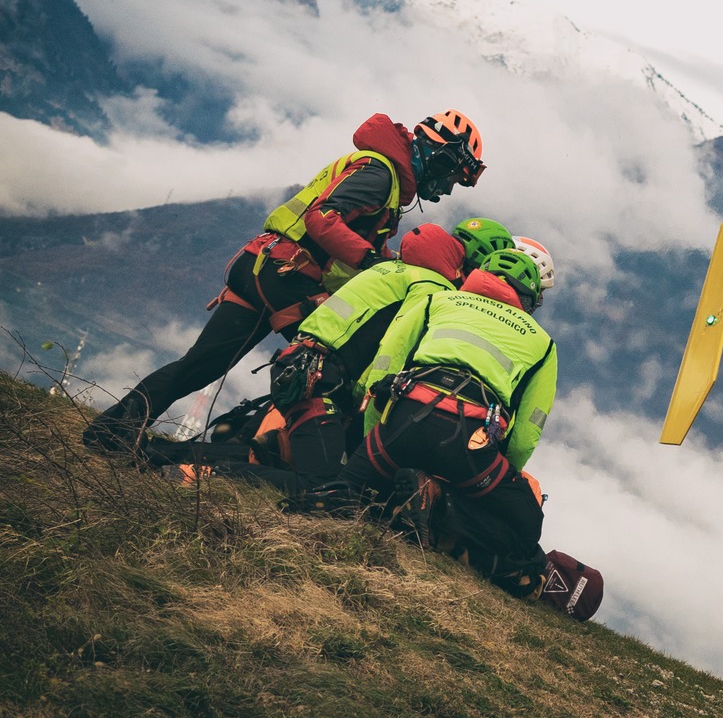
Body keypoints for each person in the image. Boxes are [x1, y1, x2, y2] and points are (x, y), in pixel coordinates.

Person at [83, 111, 487, 458]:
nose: (450, 187)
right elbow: (323, 219)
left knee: (200, 365)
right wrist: (371, 263)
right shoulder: (381, 174)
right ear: (438, 155)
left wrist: (378, 263)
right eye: (453, 175)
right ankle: (303, 469)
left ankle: (108, 432)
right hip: (287, 276)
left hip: (262, 265)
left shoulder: (383, 174)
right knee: (333, 367)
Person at [338, 247, 557, 597]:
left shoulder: (437, 301)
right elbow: (528, 432)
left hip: (402, 425)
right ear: (529, 296)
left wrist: (372, 439)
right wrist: (495, 477)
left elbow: (385, 363)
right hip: (470, 445)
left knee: (345, 492)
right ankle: (440, 501)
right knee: (526, 526)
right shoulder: (542, 343)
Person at [265, 222, 469, 487]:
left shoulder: (385, 269)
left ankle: (246, 455)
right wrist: (372, 403)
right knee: (321, 484)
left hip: (300, 366)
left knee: (330, 472)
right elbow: (394, 346)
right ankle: (210, 473)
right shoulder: (432, 286)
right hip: (323, 378)